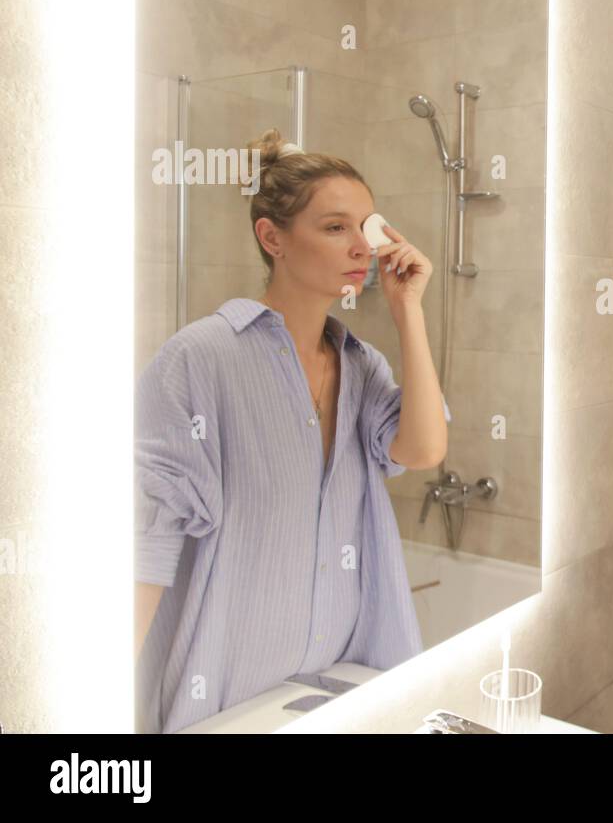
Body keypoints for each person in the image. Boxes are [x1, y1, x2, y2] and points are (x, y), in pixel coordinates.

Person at [134, 129, 450, 733]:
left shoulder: (361, 364)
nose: (363, 245)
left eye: (368, 225)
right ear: (272, 237)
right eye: (335, 227)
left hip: (335, 685)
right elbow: (147, 544)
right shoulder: (199, 359)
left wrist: (408, 308)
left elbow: (425, 448)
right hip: (225, 700)